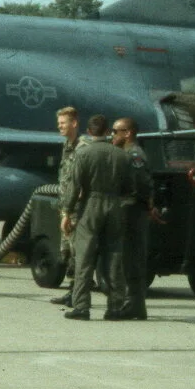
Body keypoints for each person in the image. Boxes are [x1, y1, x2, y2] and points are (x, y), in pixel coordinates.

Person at [60, 113, 145, 320]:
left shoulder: (83, 154)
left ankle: (81, 306)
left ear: (89, 132)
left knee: (84, 257)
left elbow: (74, 186)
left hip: (91, 205)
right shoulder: (122, 156)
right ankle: (115, 307)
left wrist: (67, 212)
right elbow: (130, 187)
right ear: (107, 132)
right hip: (115, 206)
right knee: (114, 257)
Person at [110, 117, 153, 320]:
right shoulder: (126, 153)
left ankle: (133, 304)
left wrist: (139, 202)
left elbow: (142, 183)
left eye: (115, 131)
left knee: (131, 258)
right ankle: (135, 305)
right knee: (128, 257)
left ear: (127, 133)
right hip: (130, 208)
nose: (112, 135)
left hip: (133, 210)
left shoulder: (134, 154)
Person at [49, 105, 82, 307]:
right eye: (58, 123)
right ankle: (72, 290)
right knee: (68, 252)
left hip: (76, 210)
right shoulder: (67, 146)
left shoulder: (82, 148)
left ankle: (77, 293)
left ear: (74, 123)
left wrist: (70, 210)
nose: (59, 126)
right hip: (67, 209)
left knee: (76, 252)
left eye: (63, 123)